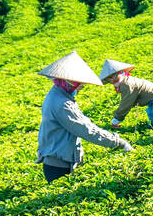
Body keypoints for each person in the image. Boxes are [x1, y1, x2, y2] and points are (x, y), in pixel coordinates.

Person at [36, 51, 132, 183]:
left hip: (59, 161)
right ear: (68, 81)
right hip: (59, 167)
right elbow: (87, 130)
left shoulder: (57, 94)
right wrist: (118, 142)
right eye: (79, 83)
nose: (81, 87)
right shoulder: (62, 103)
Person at [98, 59, 153, 129]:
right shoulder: (126, 81)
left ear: (120, 72)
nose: (112, 79)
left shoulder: (127, 84)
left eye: (114, 76)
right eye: (110, 78)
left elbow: (126, 104)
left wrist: (116, 120)